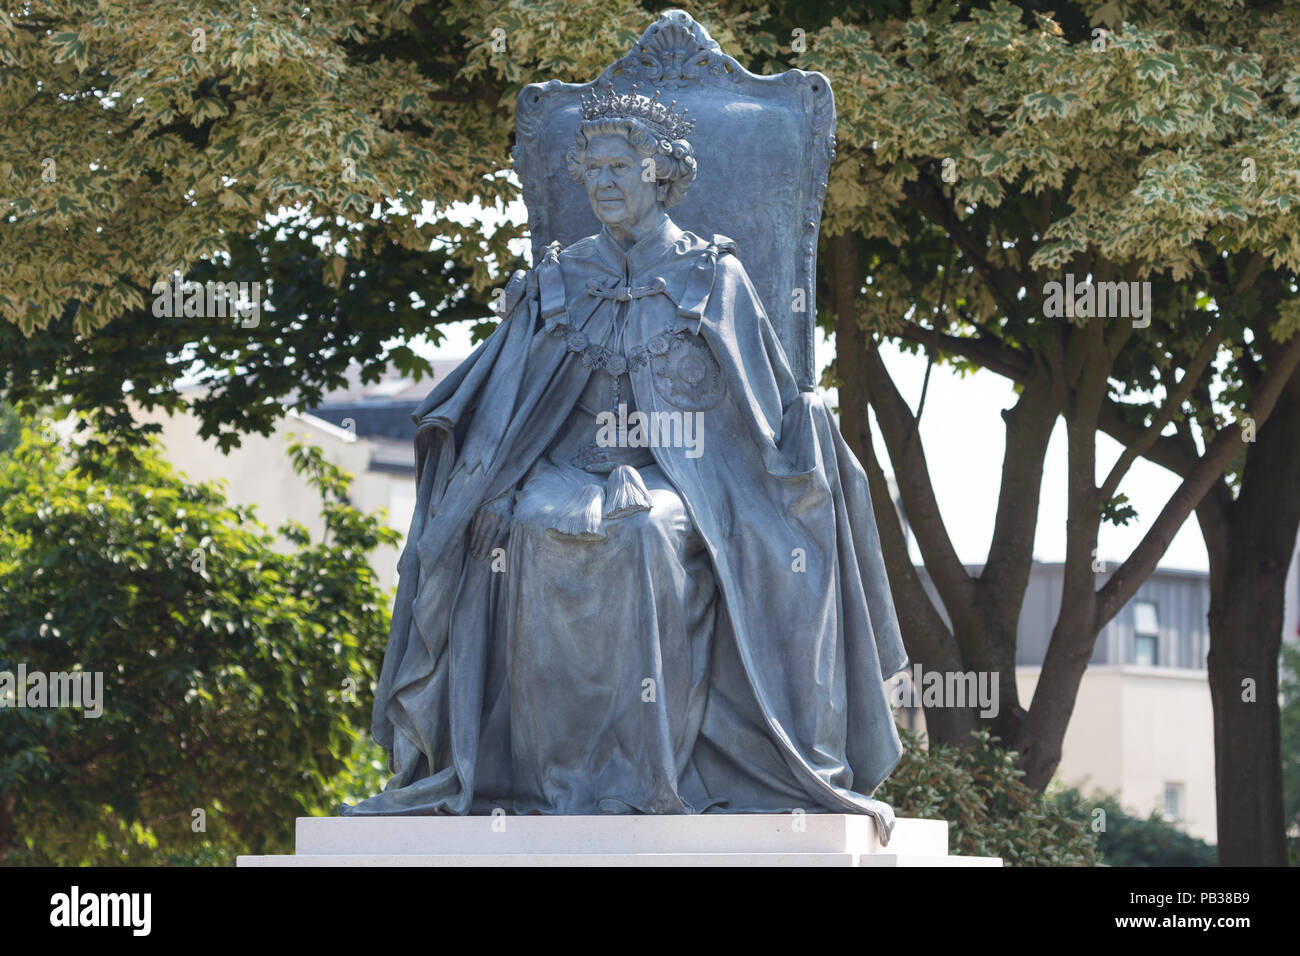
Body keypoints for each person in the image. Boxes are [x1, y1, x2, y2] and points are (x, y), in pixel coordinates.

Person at [342, 87, 908, 840]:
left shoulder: (712, 276)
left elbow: (762, 410)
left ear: (661, 172)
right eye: (592, 168)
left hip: (690, 483)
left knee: (644, 533)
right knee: (528, 531)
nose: (603, 181)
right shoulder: (557, 280)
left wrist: (799, 450)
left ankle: (649, 780)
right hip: (561, 469)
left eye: (620, 166)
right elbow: (506, 402)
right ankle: (546, 781)